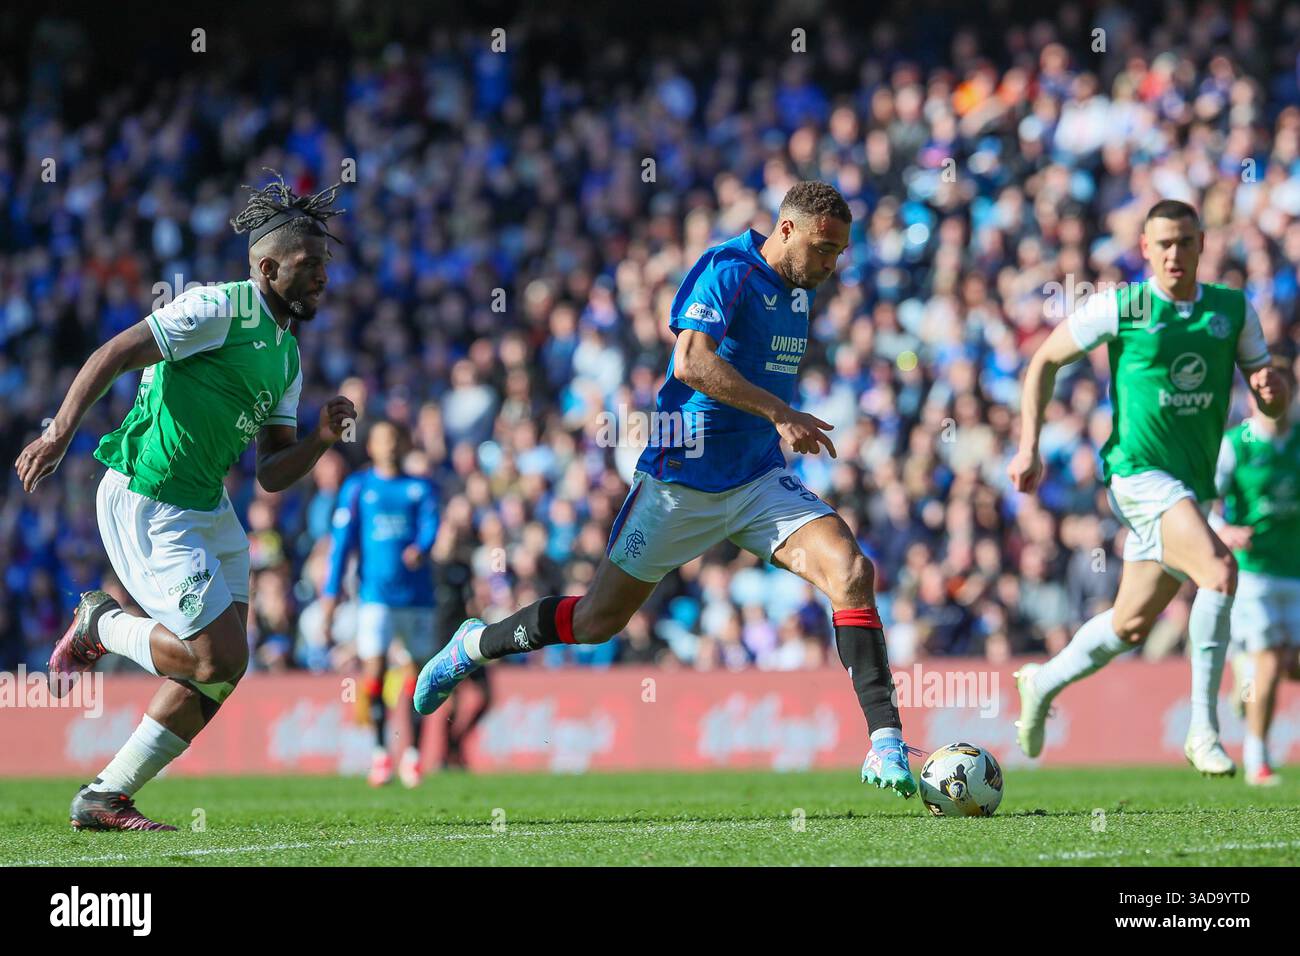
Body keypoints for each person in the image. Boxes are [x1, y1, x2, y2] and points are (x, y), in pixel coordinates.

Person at [415, 181, 921, 798]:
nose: (831, 265)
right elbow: (691, 363)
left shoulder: (797, 290)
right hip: (680, 483)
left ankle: (885, 742)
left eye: (840, 253)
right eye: (823, 249)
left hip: (760, 481)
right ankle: (473, 645)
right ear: (786, 229)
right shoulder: (727, 268)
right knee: (599, 619)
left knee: (852, 572)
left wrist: (771, 421)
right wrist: (779, 412)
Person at [14, 172, 357, 830]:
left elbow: (272, 473)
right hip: (148, 500)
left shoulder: (286, 356)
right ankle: (101, 626)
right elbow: (115, 351)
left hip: (206, 508)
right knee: (214, 658)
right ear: (266, 266)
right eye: (309, 265)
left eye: (325, 266)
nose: (322, 278)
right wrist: (58, 431)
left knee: (225, 671)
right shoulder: (220, 308)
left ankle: (104, 796)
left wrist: (318, 438)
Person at [1008, 199, 1288, 776]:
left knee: (1129, 625)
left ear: (1202, 244)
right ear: (1144, 248)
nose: (1173, 254)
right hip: (1137, 475)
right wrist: (1029, 445)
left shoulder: (1232, 310)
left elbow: (1268, 395)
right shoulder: (1123, 306)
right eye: (1162, 243)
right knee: (1218, 571)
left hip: (1192, 488)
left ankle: (1042, 682)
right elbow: (1044, 361)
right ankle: (1204, 729)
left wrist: (1271, 390)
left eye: (1184, 242)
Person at [321, 420, 438, 788]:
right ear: (370, 446)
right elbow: (341, 545)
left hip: (418, 597)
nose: (389, 446)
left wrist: (421, 547)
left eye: (395, 438)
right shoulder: (359, 488)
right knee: (374, 672)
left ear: (403, 443)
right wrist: (330, 592)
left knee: (419, 679)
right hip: (376, 597)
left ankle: (415, 755)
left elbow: (432, 526)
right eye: (382, 440)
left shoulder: (419, 487)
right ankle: (379, 753)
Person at [1213, 357, 1300, 785]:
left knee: (1289, 664)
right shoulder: (1237, 444)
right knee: (1269, 662)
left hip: (1296, 572)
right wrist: (1224, 528)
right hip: (1256, 574)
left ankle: (1242, 670)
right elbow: (1204, 504)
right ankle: (1256, 760)